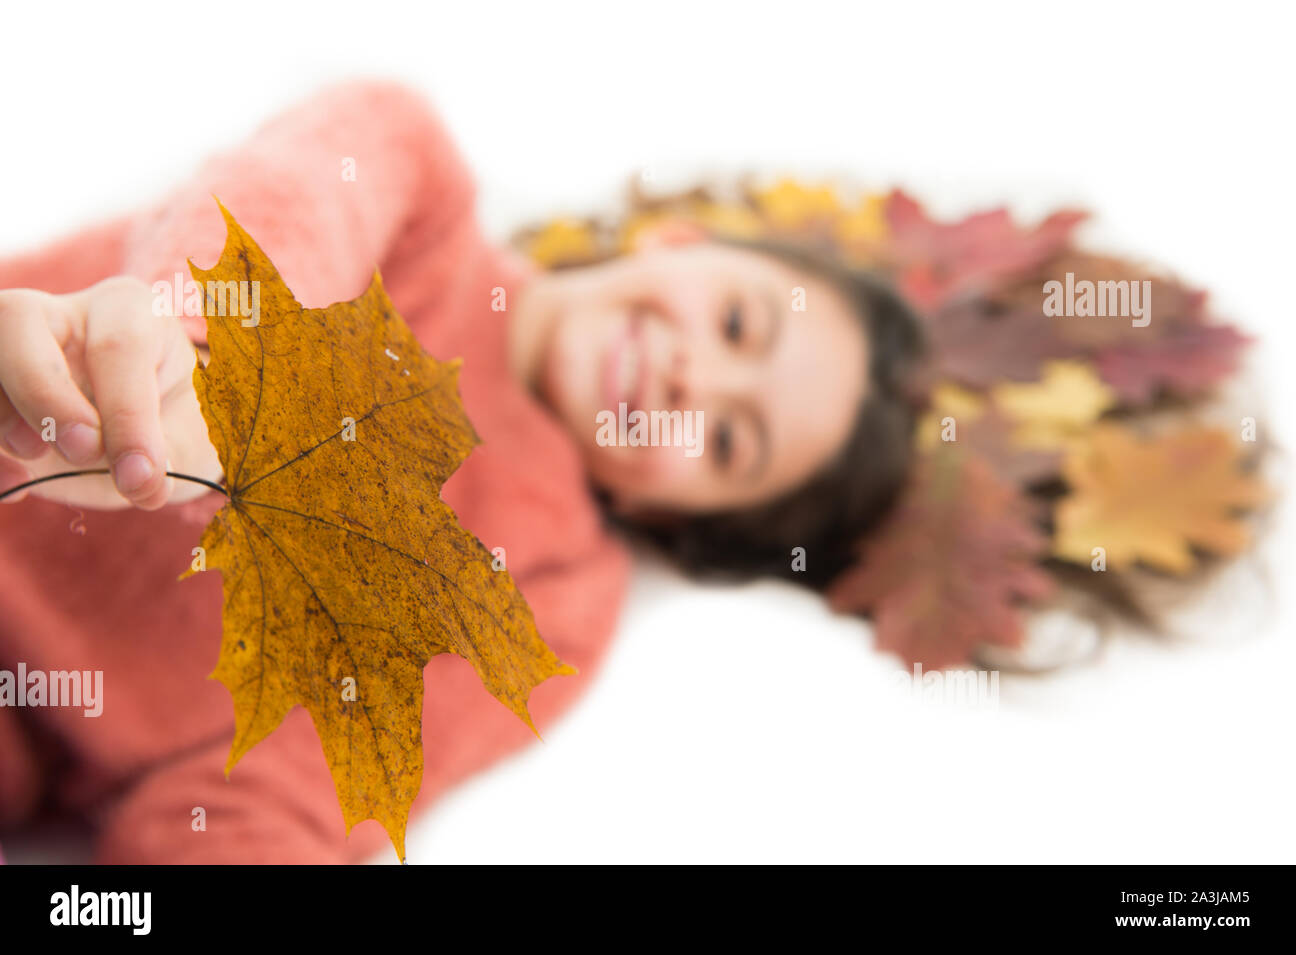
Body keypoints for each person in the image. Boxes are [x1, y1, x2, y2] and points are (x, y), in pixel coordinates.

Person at [0, 80, 917, 862]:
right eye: (736, 324)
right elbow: (291, 205)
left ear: (678, 516)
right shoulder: (418, 185)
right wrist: (211, 366)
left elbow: (293, 782)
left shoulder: (555, 601)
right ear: (678, 242)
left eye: (726, 441)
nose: (695, 379)